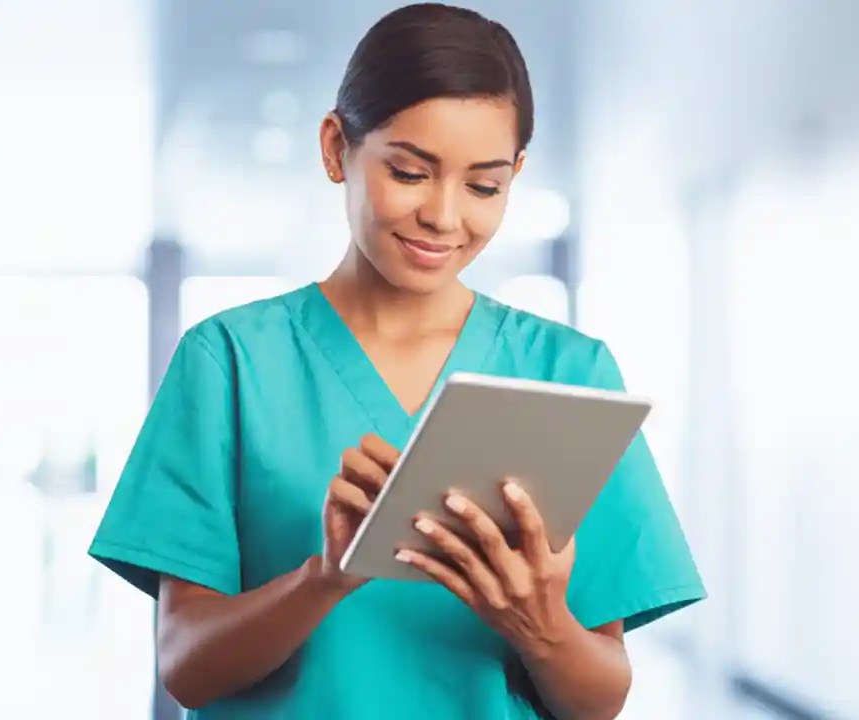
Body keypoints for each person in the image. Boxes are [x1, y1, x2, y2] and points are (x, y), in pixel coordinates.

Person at [89, 3, 705, 717]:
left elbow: (599, 701)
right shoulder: (229, 362)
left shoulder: (569, 374)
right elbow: (185, 669)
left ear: (515, 175)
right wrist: (324, 578)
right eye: (410, 172)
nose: (444, 216)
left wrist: (536, 623)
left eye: (484, 186)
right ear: (335, 148)